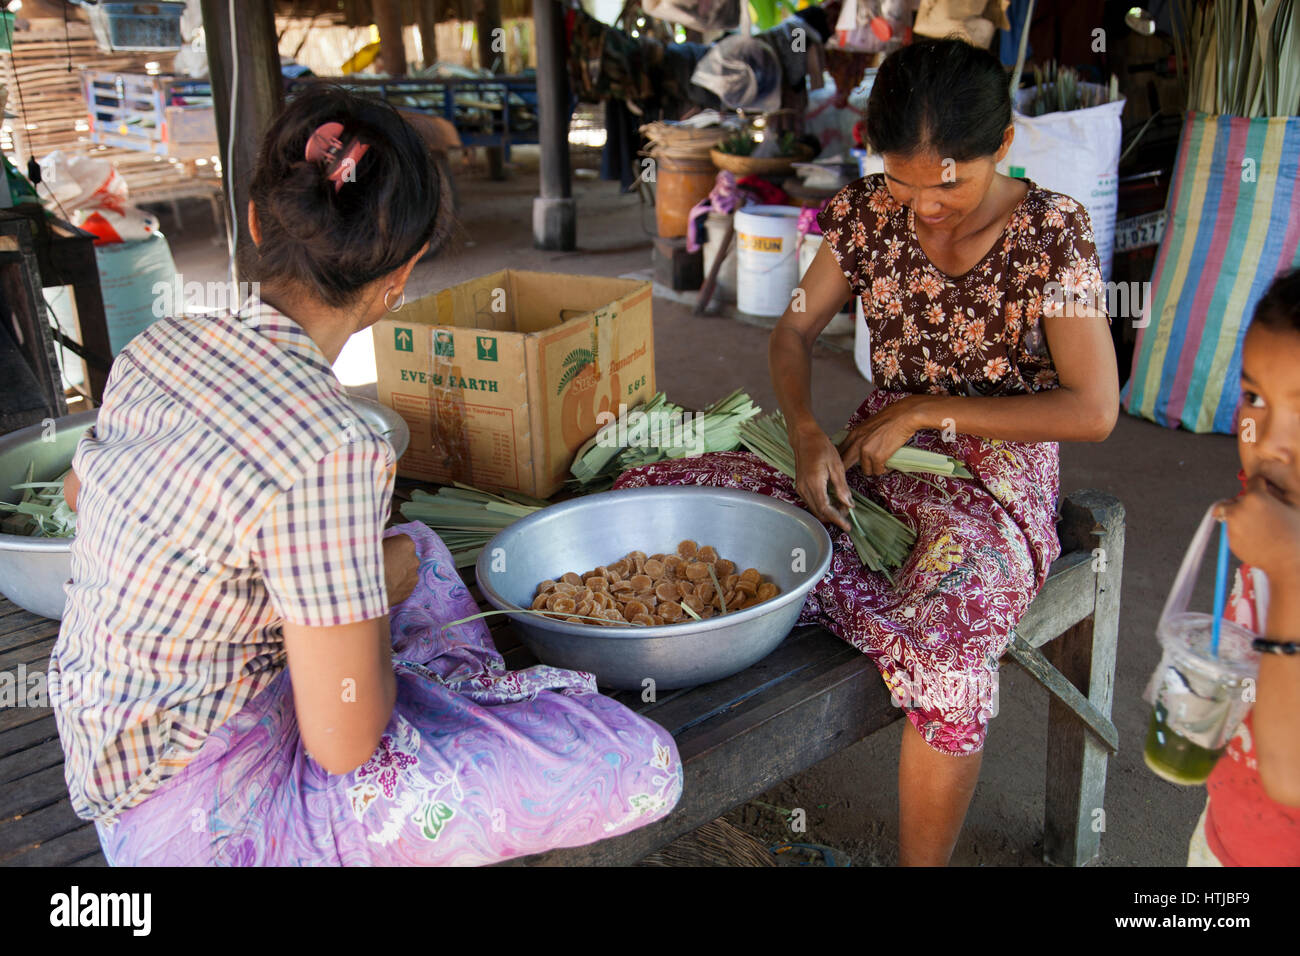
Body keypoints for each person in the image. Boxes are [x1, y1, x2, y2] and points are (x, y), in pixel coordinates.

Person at [51, 85, 681, 866]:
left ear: (253, 221)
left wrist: (288, 594)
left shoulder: (160, 347)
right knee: (638, 762)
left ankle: (391, 657)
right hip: (204, 824)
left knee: (408, 548)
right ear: (398, 281)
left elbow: (85, 495)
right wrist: (344, 612)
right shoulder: (332, 445)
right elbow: (347, 746)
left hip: (113, 751)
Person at [613, 38, 1118, 865]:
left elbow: (1093, 409)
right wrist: (809, 432)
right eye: (902, 180)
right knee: (671, 487)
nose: (925, 207)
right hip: (872, 458)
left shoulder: (1054, 232)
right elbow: (792, 330)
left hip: (990, 478)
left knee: (952, 644)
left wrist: (923, 408)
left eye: (949, 181)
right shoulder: (860, 214)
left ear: (1001, 147)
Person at [1186, 267, 1300, 866]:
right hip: (1225, 836)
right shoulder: (1277, 499)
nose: (1270, 442)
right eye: (1255, 397)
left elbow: (1292, 776)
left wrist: (1289, 567)